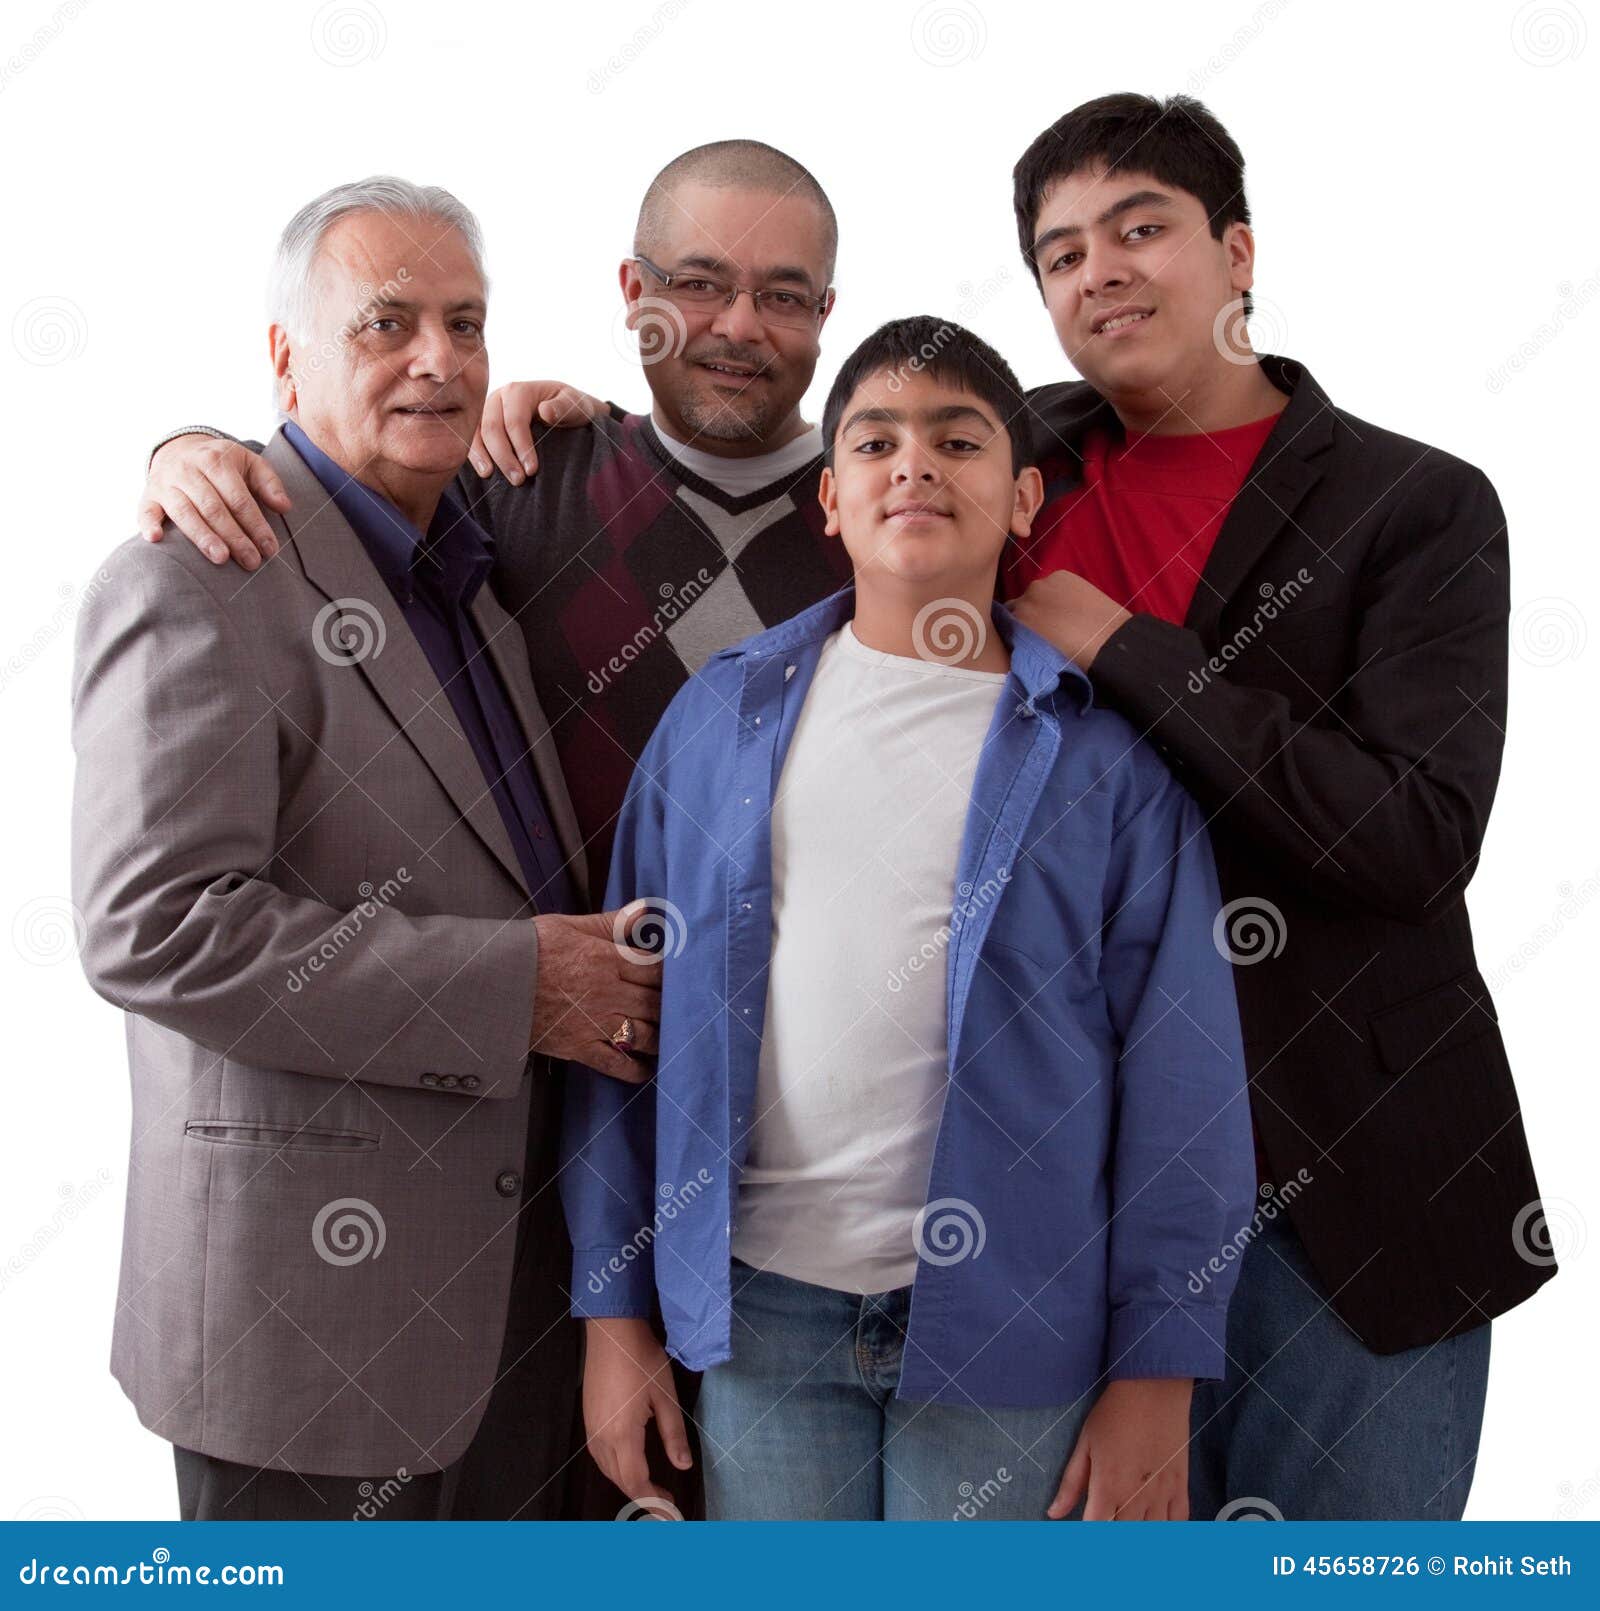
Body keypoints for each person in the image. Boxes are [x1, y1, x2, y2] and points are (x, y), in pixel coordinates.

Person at [563, 317, 1257, 1521]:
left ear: (1024, 495)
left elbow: (1183, 1084)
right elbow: (622, 1020)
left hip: (1015, 1327)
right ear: (830, 498)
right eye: (876, 440)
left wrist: (1159, 1376)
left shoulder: (1108, 761)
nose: (914, 464)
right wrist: (613, 1314)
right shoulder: (718, 721)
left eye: (958, 439)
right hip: (761, 1318)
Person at [71, 177, 658, 1520]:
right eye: (385, 322)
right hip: (310, 1342)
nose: (438, 359)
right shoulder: (196, 570)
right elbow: (154, 926)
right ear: (285, 353)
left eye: (467, 322)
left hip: (520, 1297)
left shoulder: (475, 570)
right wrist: (523, 987)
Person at [1002, 93, 1555, 1520]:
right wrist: (568, 429)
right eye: (1061, 253)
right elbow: (813, 470)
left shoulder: (1414, 507)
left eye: (1142, 229)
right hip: (1075, 1180)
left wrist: (1124, 643)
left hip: (1347, 1182)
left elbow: (1414, 833)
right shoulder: (1004, 468)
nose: (1100, 270)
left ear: (1237, 252)